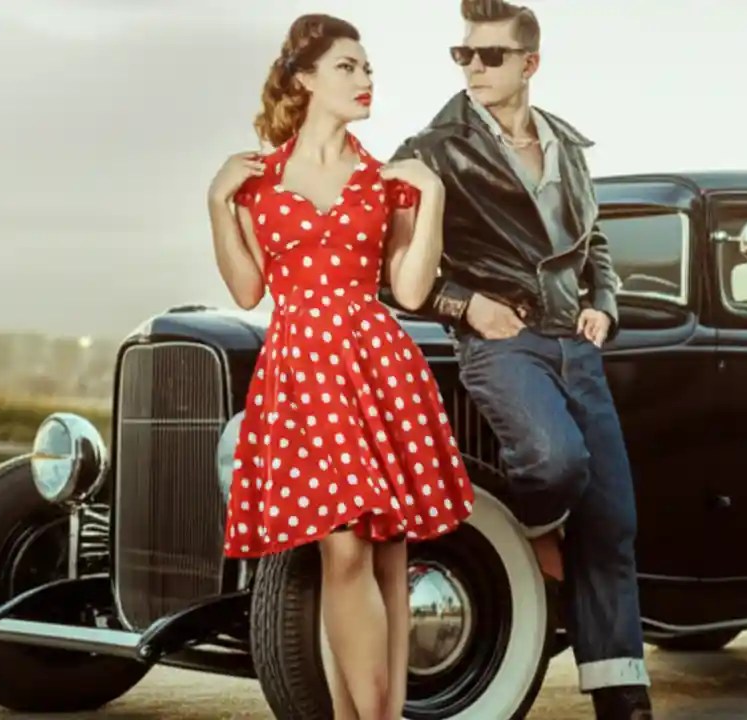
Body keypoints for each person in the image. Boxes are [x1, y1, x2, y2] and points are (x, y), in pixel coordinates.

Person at [206, 13, 474, 720]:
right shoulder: (257, 180)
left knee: (384, 557)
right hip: (300, 370)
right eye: (348, 68)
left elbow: (412, 291)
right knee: (345, 552)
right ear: (304, 79)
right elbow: (246, 291)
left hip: (374, 361)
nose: (366, 80)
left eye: (368, 69)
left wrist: (433, 195)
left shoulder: (386, 180)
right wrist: (216, 204)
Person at [390, 2, 652, 718]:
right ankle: (527, 540)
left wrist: (605, 302)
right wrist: (465, 306)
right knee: (557, 461)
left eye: (490, 55)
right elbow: (386, 266)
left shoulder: (568, 145)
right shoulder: (432, 147)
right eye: (463, 54)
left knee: (611, 523)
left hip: (578, 344)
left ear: (529, 63)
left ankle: (623, 700)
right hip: (502, 344)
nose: (473, 66)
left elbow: (594, 245)